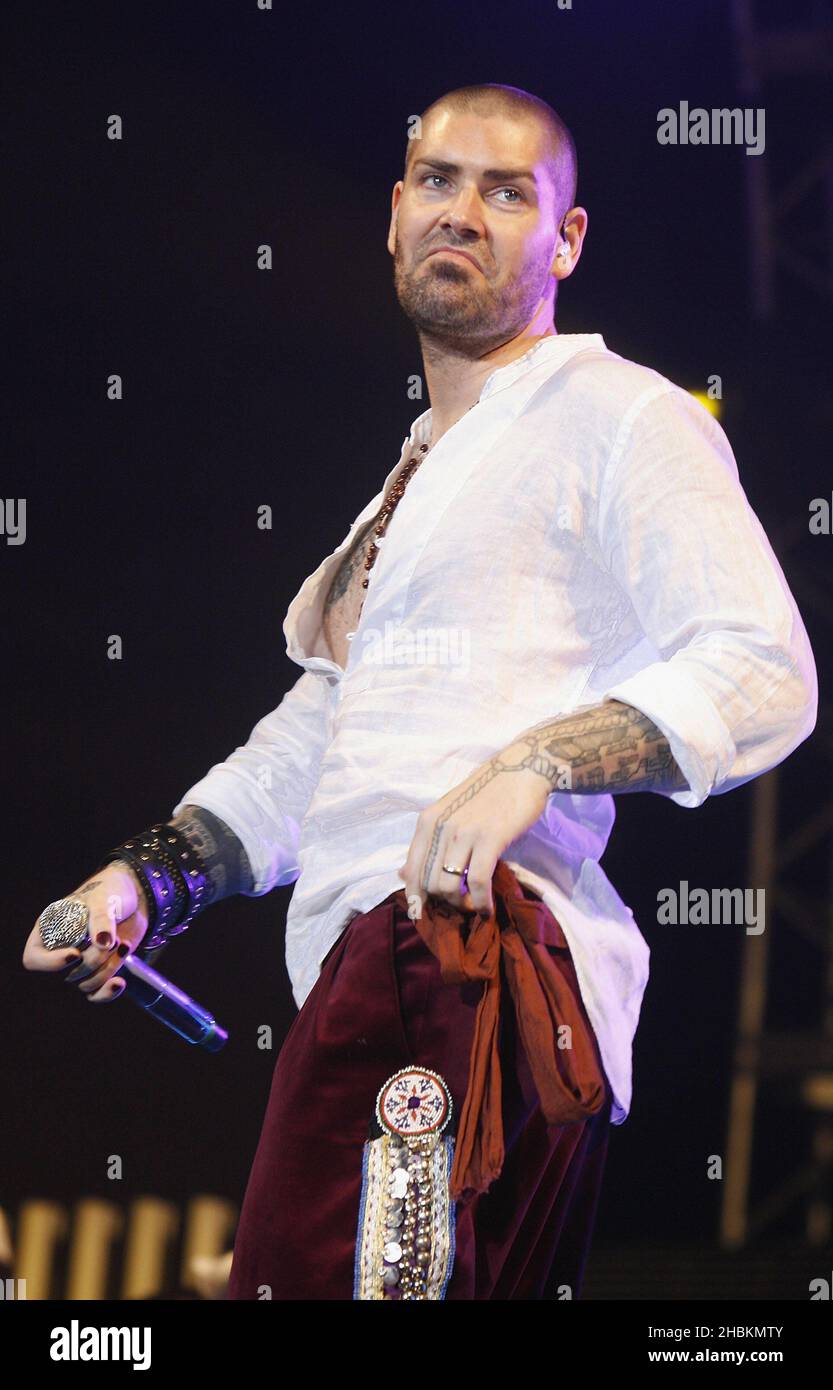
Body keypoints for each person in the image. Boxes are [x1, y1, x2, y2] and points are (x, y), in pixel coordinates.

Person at [24, 83, 817, 1301]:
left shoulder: (615, 414)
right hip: (375, 968)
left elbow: (760, 666)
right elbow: (318, 746)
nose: (463, 211)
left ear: (564, 240)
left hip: (459, 958)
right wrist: (146, 876)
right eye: (438, 182)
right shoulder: (406, 484)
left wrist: (531, 765)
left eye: (508, 192)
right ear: (394, 216)